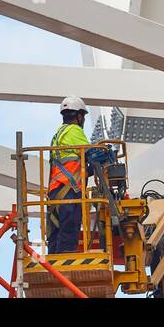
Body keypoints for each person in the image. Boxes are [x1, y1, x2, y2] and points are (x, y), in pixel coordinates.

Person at [46, 97, 116, 254]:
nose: (83, 119)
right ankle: (63, 266)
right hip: (68, 190)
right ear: (78, 116)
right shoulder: (74, 131)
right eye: (83, 116)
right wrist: (106, 153)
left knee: (56, 231)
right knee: (70, 228)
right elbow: (91, 153)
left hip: (56, 191)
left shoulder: (58, 133)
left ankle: (52, 265)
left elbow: (77, 164)